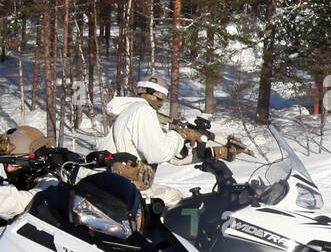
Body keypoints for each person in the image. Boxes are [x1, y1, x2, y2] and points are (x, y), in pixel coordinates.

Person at [103, 76, 245, 209]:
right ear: (149, 91)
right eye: (160, 95)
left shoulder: (133, 111)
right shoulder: (142, 111)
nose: (161, 101)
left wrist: (216, 152)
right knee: (177, 204)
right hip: (126, 188)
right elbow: (160, 153)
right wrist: (179, 134)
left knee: (175, 196)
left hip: (124, 184)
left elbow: (173, 157)